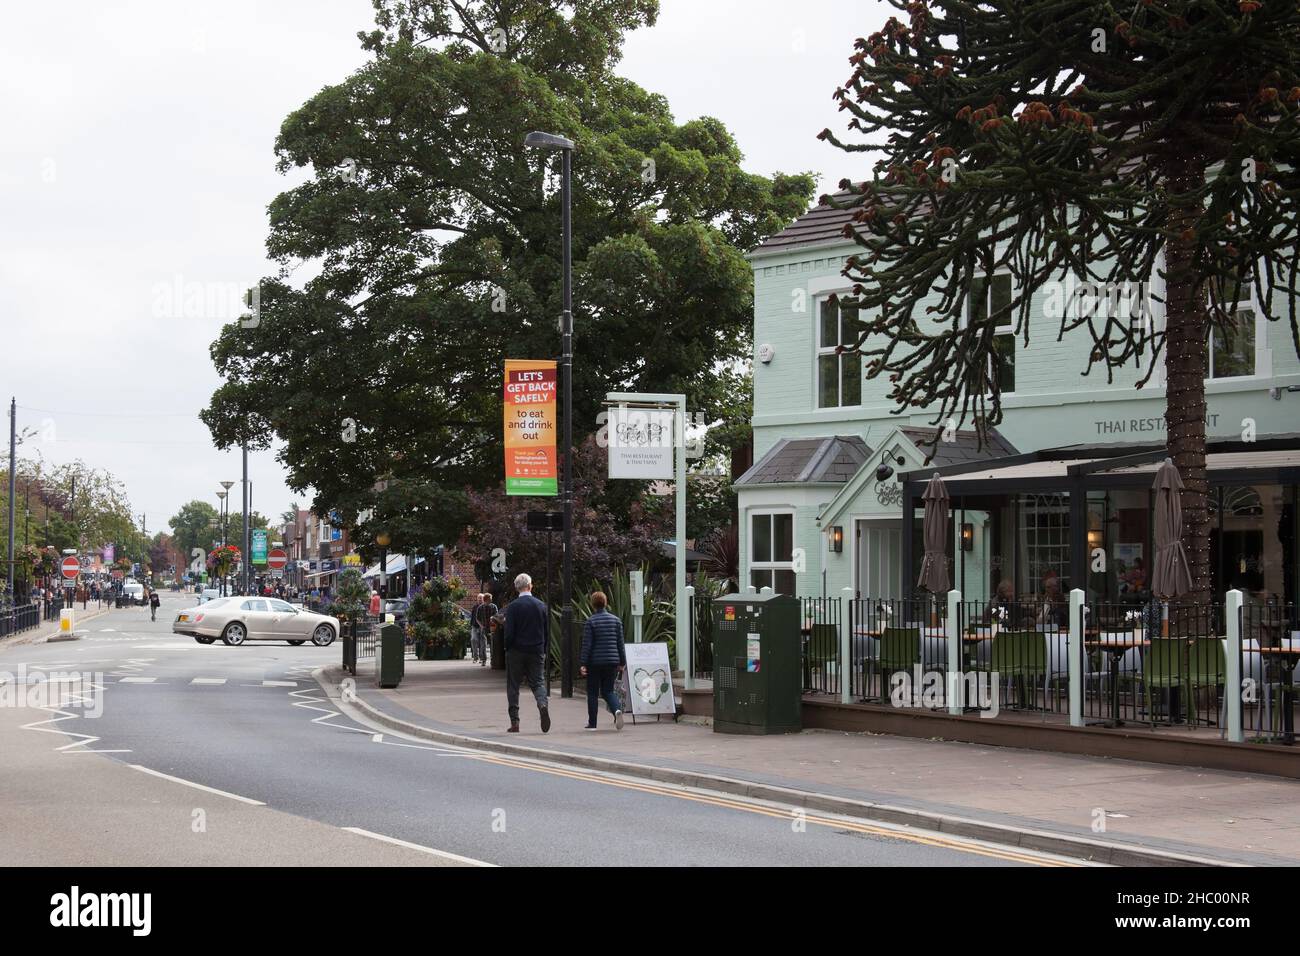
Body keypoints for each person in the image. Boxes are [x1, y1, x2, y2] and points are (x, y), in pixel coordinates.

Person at [503, 573, 550, 734]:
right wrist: (544, 649)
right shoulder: (540, 605)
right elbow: (546, 631)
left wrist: (507, 647)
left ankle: (515, 722)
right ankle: (542, 704)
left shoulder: (513, 607)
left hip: (516, 650)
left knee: (513, 686)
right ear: (530, 586)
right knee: (538, 683)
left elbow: (509, 632)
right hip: (536, 650)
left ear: (517, 588)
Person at [579, 591, 626, 731]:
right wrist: (622, 662)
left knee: (593, 692)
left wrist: (583, 663)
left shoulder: (591, 621)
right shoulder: (616, 621)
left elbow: (587, 645)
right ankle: (617, 710)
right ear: (605, 603)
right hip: (612, 661)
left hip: (595, 663)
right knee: (608, 691)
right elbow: (620, 644)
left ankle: (592, 723)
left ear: (593, 604)